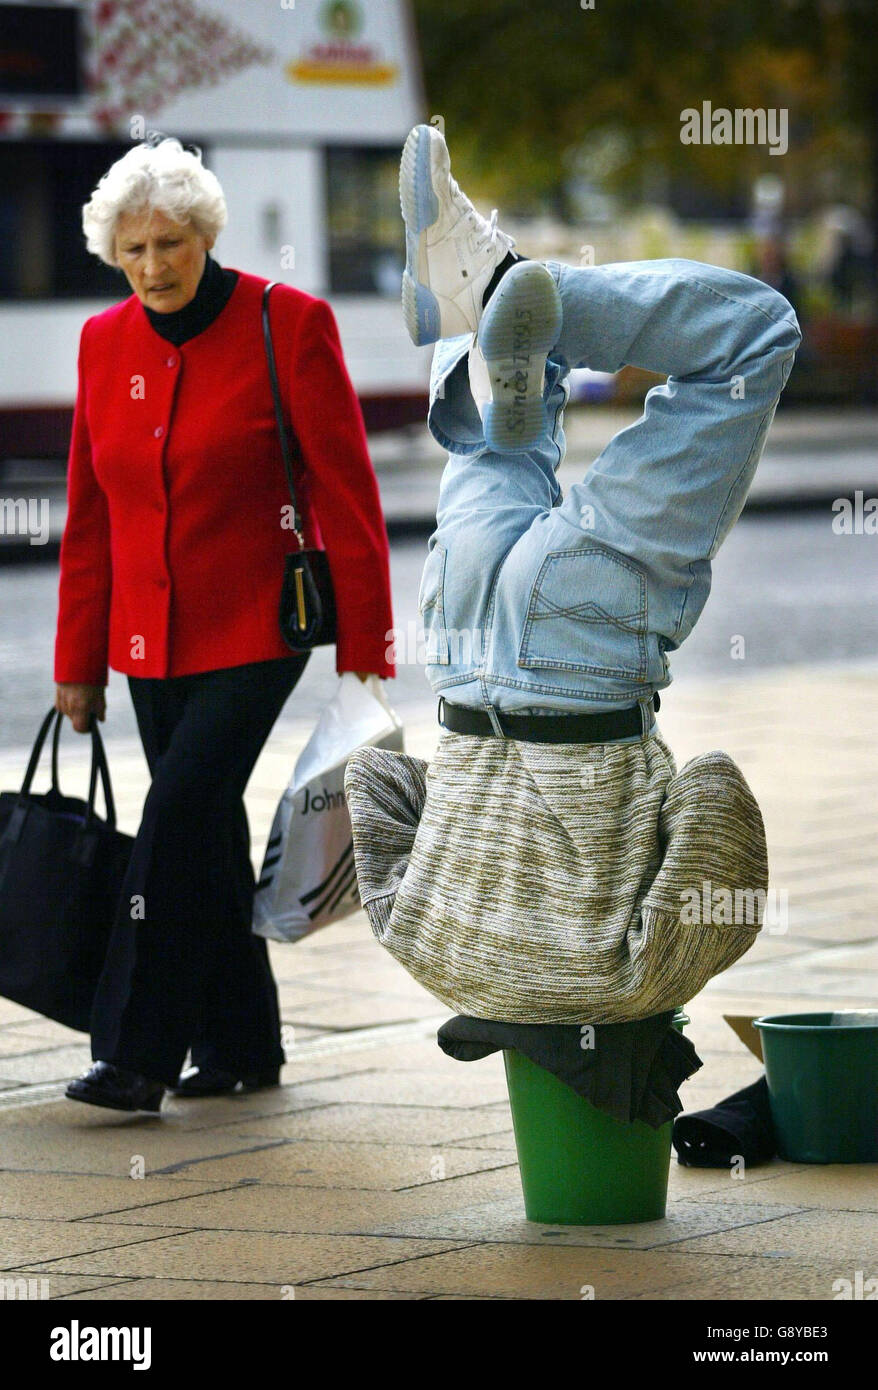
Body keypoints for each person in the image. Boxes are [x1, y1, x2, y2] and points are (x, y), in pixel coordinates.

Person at [344, 124, 802, 1026]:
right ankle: (476, 302)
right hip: (464, 642)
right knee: (493, 436)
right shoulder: (429, 954)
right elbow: (376, 784)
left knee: (751, 341)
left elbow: (716, 804)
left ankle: (525, 294)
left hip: (582, 663)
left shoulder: (635, 983)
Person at [55, 136, 395, 1114]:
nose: (153, 267)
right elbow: (89, 514)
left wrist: (362, 650)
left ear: (204, 235)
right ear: (113, 255)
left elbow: (346, 491)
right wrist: (78, 661)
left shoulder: (286, 324)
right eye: (133, 251)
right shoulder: (101, 343)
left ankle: (133, 1051)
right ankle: (244, 1042)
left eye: (170, 243)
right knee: (203, 831)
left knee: (174, 818)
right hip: (145, 641)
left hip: (259, 626)